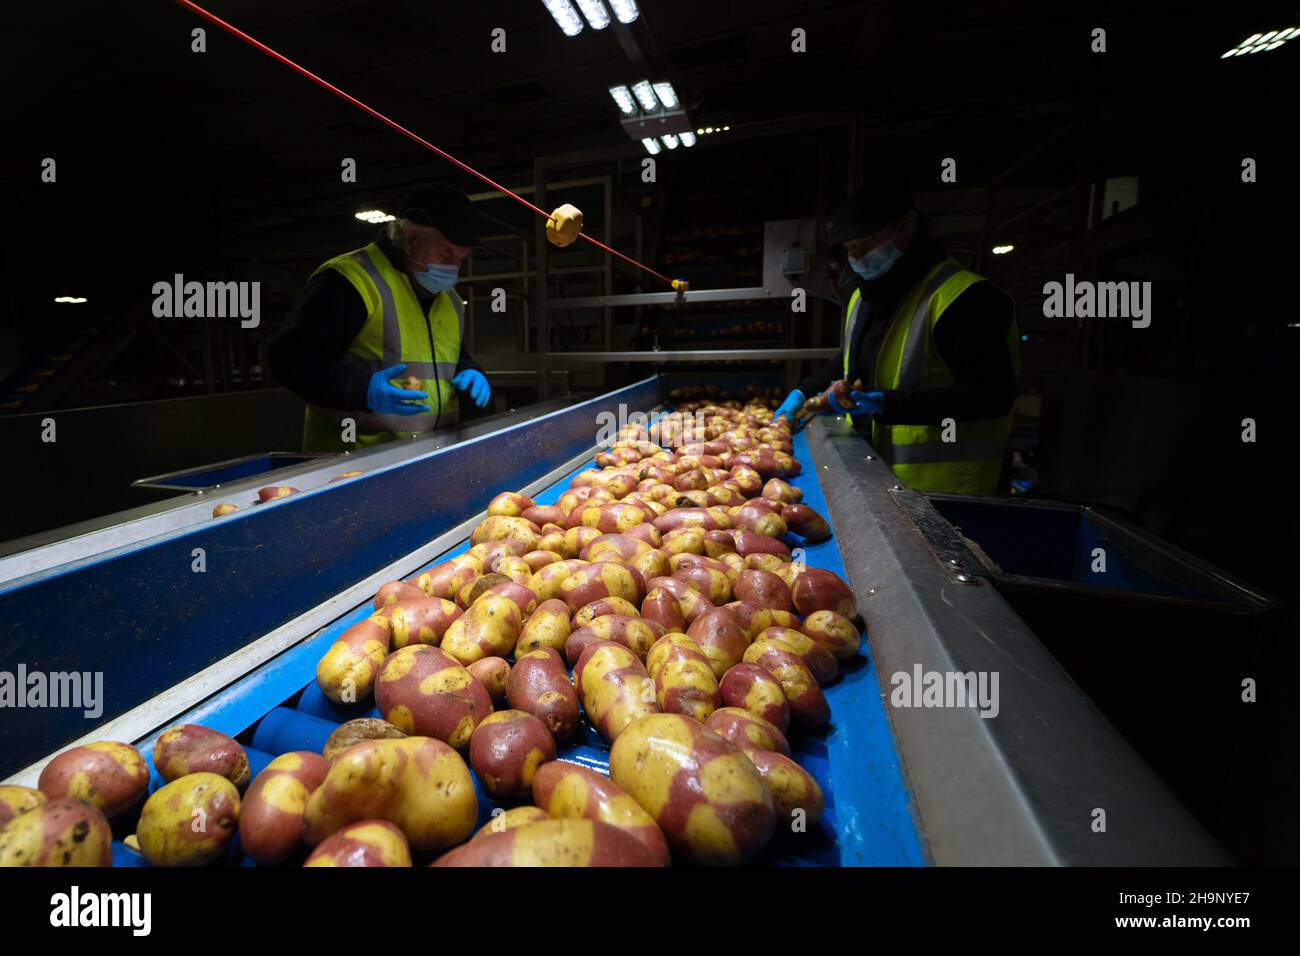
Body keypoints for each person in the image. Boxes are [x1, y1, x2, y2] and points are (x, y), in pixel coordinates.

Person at [776, 162, 1020, 495]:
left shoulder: (964, 299)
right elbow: (849, 361)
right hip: (876, 478)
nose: (857, 257)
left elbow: (992, 395)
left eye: (866, 242)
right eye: (849, 249)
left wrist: (889, 404)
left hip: (948, 492)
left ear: (906, 226)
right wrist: (804, 391)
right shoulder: (866, 297)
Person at [270, 183, 491, 452]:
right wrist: (361, 390)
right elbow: (289, 359)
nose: (453, 268)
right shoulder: (350, 281)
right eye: (445, 254)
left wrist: (468, 369)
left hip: (428, 459)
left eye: (461, 259)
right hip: (353, 465)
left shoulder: (452, 301)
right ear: (411, 241)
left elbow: (448, 355)